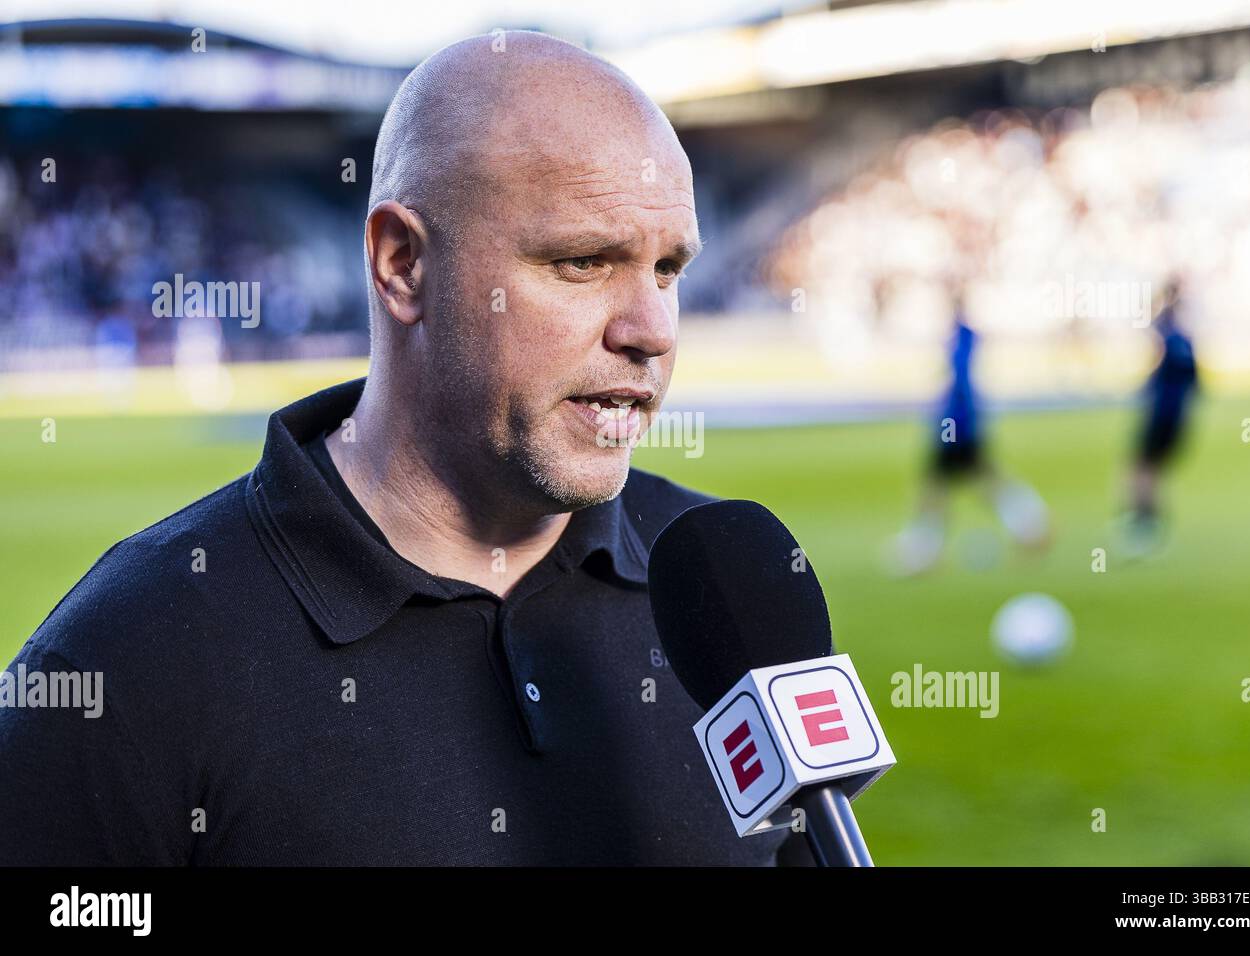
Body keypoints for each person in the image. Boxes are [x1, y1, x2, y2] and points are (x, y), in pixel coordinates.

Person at [0, 32, 814, 866]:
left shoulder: (733, 594)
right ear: (403, 264)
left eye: (668, 270)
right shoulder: (124, 662)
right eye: (582, 262)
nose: (651, 331)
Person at [892, 288, 1050, 575]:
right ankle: (1030, 523)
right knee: (980, 483)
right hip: (963, 424)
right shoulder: (964, 336)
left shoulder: (961, 338)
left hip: (955, 426)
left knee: (938, 488)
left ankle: (923, 550)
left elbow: (961, 382)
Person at [1121, 279, 1198, 556]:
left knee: (1140, 469)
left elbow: (1149, 329)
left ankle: (1145, 524)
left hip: (1159, 415)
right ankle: (1149, 524)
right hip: (1177, 417)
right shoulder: (1187, 341)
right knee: (1152, 470)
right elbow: (1196, 385)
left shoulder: (1165, 334)